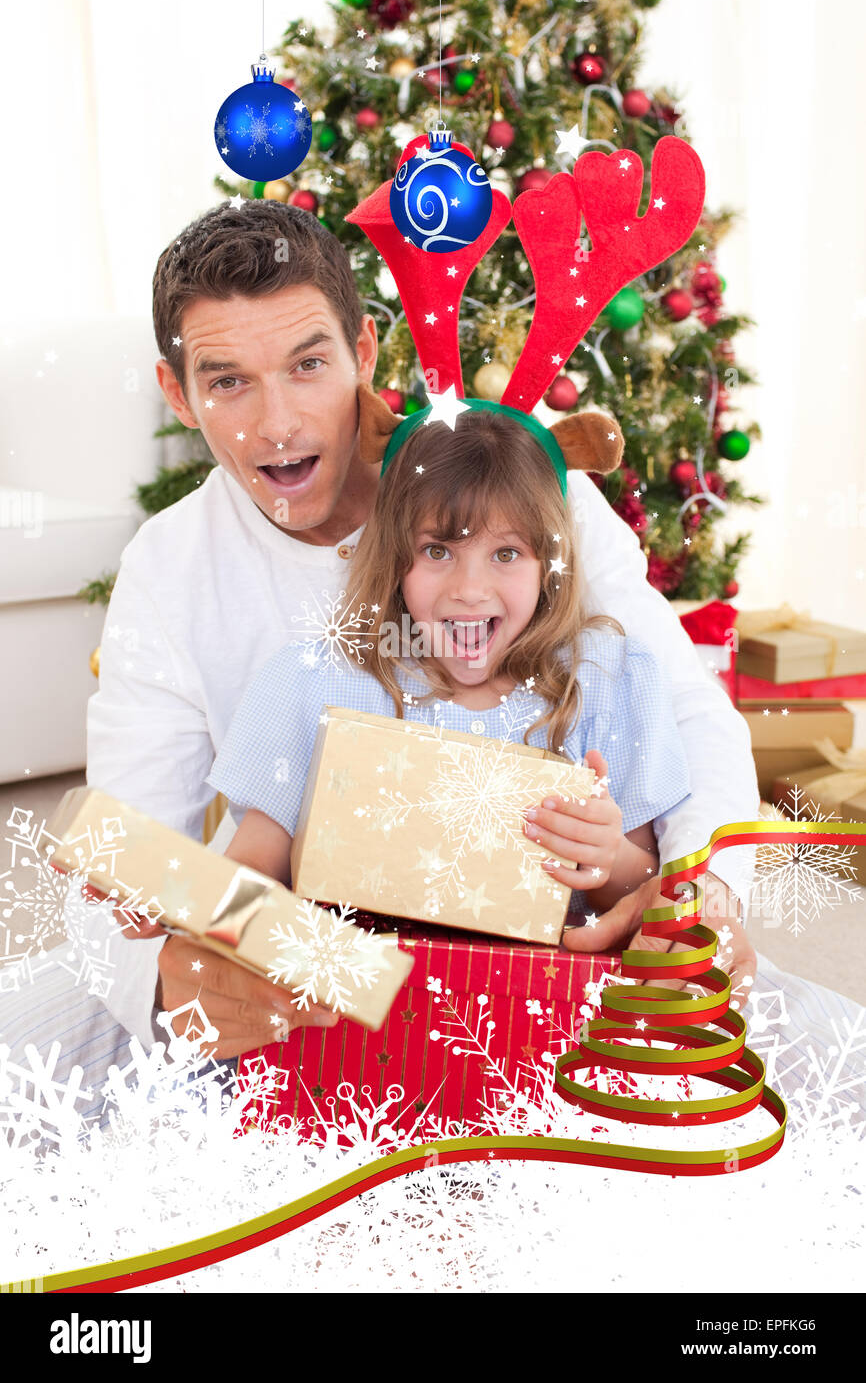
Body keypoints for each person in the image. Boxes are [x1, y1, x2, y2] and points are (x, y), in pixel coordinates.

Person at [0, 200, 760, 1085]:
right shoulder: (173, 573)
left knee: (811, 1074)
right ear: (179, 395)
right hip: (319, 988)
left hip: (555, 970)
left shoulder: (529, 487)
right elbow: (133, 843)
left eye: (308, 364)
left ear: (364, 353)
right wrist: (170, 978)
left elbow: (690, 712)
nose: (278, 422)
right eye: (228, 381)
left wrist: (703, 892)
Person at [206, 397, 693, 1056]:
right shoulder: (317, 679)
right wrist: (196, 920)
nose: (469, 589)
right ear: (392, 554)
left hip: (532, 1035)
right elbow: (245, 879)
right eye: (438, 549)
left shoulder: (602, 681)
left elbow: (637, 902)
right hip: (344, 1037)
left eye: (507, 553)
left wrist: (606, 856)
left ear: (550, 562)